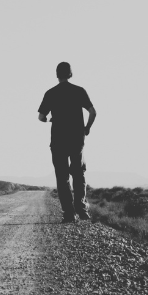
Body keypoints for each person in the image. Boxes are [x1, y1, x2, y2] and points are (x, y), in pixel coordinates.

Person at [37, 61, 96, 222]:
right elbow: (93, 112)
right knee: (78, 173)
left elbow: (41, 117)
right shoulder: (79, 91)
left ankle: (69, 214)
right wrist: (87, 128)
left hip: (58, 139)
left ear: (57, 75)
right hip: (77, 139)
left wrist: (48, 119)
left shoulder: (50, 93)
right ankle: (81, 210)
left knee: (62, 177)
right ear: (70, 74)